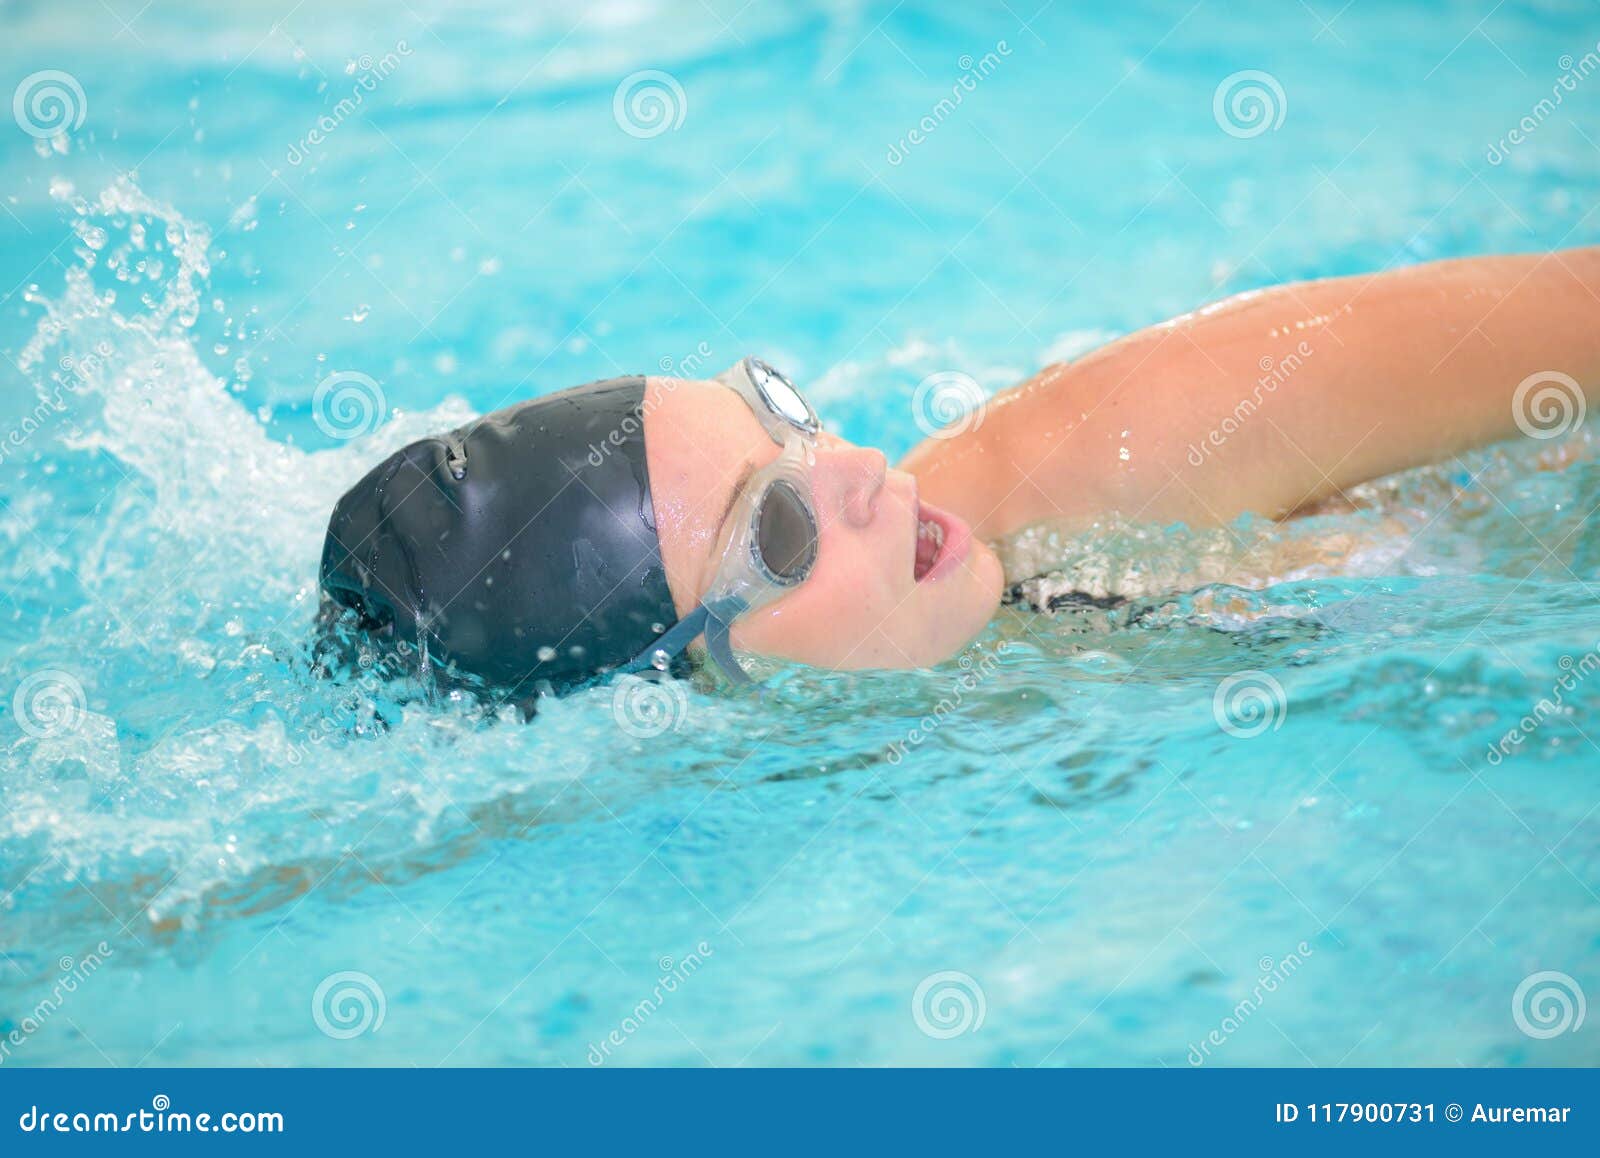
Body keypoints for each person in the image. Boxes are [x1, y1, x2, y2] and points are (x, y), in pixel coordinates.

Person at [319, 248, 1600, 699]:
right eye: (779, 527)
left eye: (790, 429)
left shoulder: (1112, 458)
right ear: (684, 686)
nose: (866, 470)